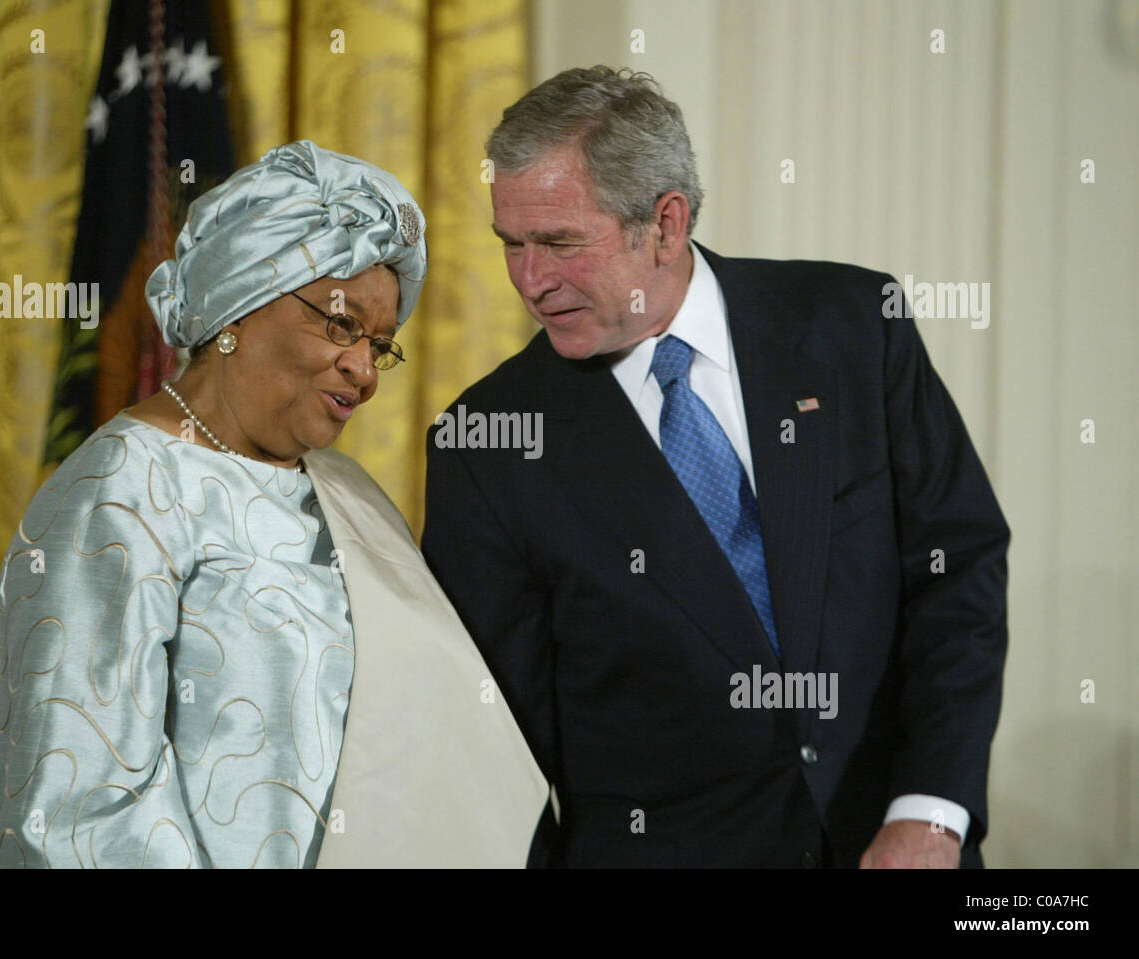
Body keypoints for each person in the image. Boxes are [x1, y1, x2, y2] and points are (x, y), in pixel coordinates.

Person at [422, 67, 1010, 868]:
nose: (531, 281)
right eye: (511, 245)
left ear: (665, 223)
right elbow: (498, 747)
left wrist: (932, 812)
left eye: (559, 243)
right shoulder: (486, 443)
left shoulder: (853, 330)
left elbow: (957, 572)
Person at [0, 141, 547, 868]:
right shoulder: (119, 493)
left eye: (381, 344)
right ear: (239, 299)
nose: (364, 370)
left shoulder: (351, 494)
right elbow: (79, 810)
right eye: (341, 324)